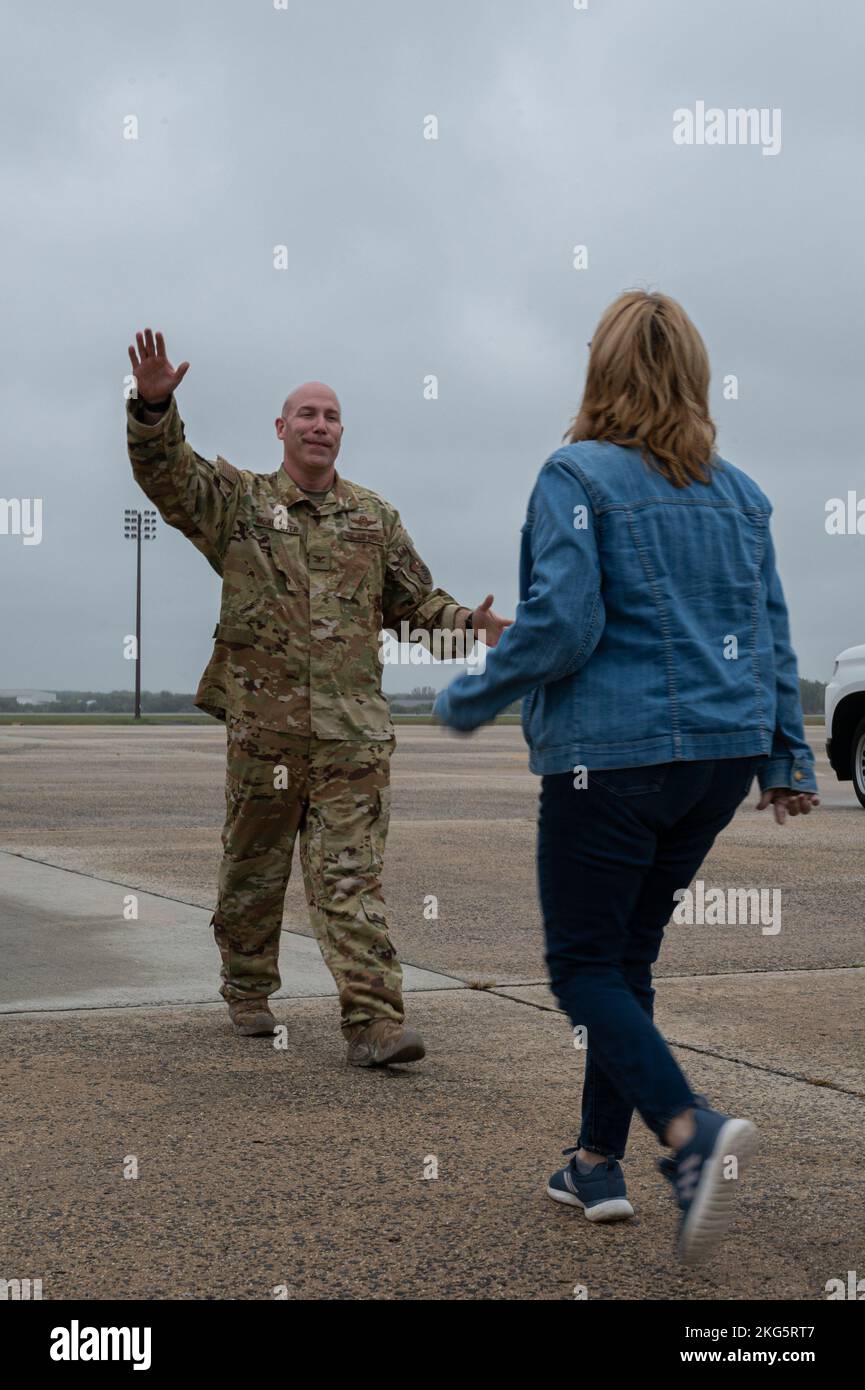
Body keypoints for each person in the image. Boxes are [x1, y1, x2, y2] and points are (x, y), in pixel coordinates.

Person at [433, 290, 819, 1265]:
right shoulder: (741, 492)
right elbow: (771, 631)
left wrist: (471, 696)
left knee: (580, 969)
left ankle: (686, 1130)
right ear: (693, 374)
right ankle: (593, 1161)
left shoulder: (575, 475)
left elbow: (564, 626)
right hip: (716, 765)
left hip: (610, 760)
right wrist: (785, 756)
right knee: (625, 960)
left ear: (599, 370)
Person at [125, 329, 510, 1065]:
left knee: (350, 878)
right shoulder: (239, 505)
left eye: (330, 415)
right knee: (252, 869)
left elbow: (416, 606)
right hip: (264, 737)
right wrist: (153, 408)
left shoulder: (374, 519)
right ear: (281, 429)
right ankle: (245, 987)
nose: (319, 425)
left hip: (351, 737)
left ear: (341, 432)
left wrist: (471, 628)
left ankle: (373, 1022)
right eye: (306, 414)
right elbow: (168, 478)